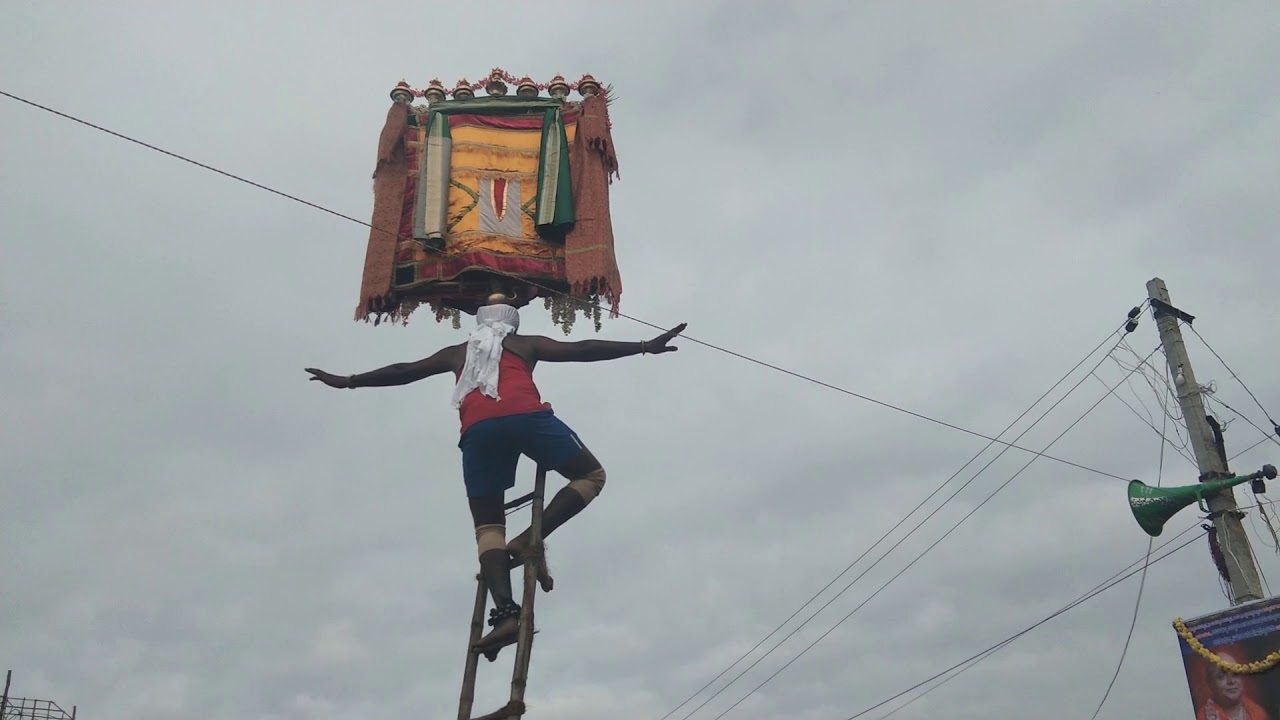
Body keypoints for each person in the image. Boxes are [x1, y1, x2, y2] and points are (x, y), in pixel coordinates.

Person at [305, 298, 686, 657]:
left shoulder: (457, 353)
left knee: (488, 529)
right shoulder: (525, 345)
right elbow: (581, 349)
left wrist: (348, 380)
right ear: (511, 324)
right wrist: (642, 346)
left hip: (477, 430)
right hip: (527, 417)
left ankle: (505, 613)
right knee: (591, 476)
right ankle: (525, 541)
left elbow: (404, 372)